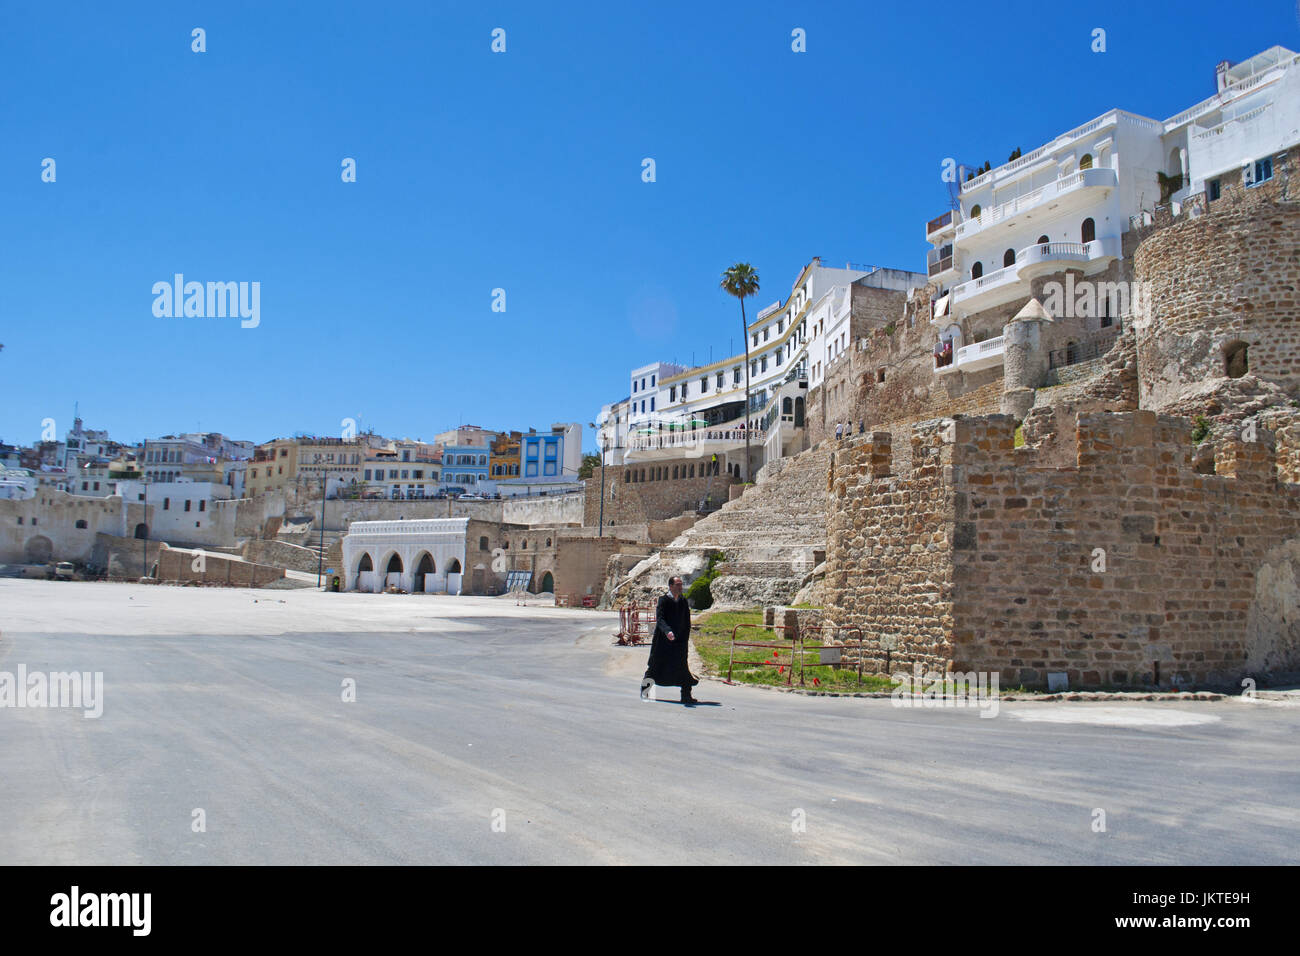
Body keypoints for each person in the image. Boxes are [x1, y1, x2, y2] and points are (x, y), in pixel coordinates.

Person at [641, 575, 699, 705]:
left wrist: (685, 636)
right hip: (663, 641)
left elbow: (686, 620)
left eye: (681, 584)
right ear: (671, 586)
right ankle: (646, 691)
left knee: (683, 667)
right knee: (655, 666)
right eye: (677, 584)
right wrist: (667, 631)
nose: (680, 587)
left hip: (679, 642)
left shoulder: (683, 601)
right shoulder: (664, 600)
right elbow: (660, 619)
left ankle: (686, 696)